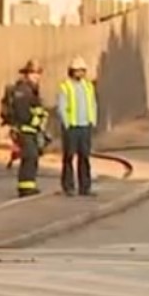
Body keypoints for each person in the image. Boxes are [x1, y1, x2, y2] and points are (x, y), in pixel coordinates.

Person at [0, 60, 49, 197]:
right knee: (30, 157)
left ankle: (29, 186)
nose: (37, 76)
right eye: (33, 73)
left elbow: (36, 108)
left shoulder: (32, 90)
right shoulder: (22, 90)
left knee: (32, 157)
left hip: (31, 130)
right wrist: (36, 121)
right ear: (26, 74)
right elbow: (23, 113)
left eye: (38, 73)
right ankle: (25, 188)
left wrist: (42, 117)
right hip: (24, 129)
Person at [57, 56, 98, 197]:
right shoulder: (65, 86)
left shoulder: (88, 86)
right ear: (71, 71)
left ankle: (85, 187)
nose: (79, 73)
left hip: (85, 125)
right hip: (72, 127)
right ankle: (68, 186)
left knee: (84, 157)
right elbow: (62, 107)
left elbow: (92, 103)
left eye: (82, 71)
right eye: (76, 71)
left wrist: (93, 120)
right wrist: (67, 123)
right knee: (69, 157)